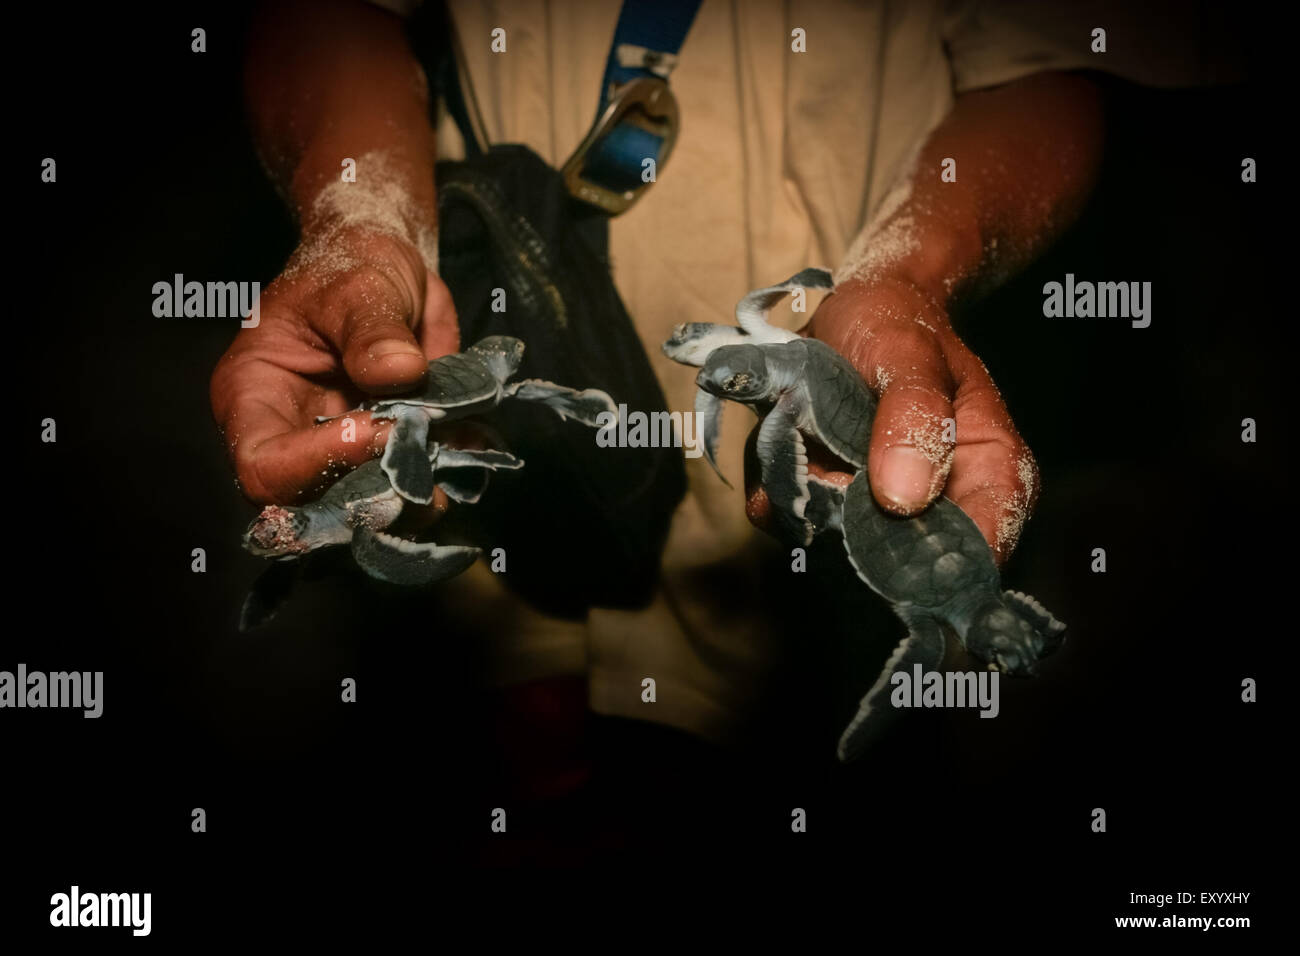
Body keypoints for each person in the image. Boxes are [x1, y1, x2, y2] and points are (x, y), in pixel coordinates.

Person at [212, 0, 1230, 793]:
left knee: (789, 788)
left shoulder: (783, 418)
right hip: (481, 419)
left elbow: (1044, 57)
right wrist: (357, 219)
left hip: (804, 579)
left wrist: (909, 275)